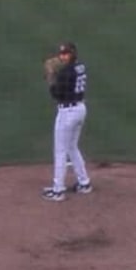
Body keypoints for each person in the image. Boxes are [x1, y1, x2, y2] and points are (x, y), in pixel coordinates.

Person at [43, 41, 92, 202]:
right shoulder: (81, 67)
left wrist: (51, 76)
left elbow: (56, 95)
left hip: (67, 113)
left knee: (60, 151)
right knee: (72, 147)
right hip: (80, 109)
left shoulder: (65, 73)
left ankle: (58, 190)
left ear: (73, 54)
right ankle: (84, 183)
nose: (62, 57)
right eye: (61, 54)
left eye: (66, 54)